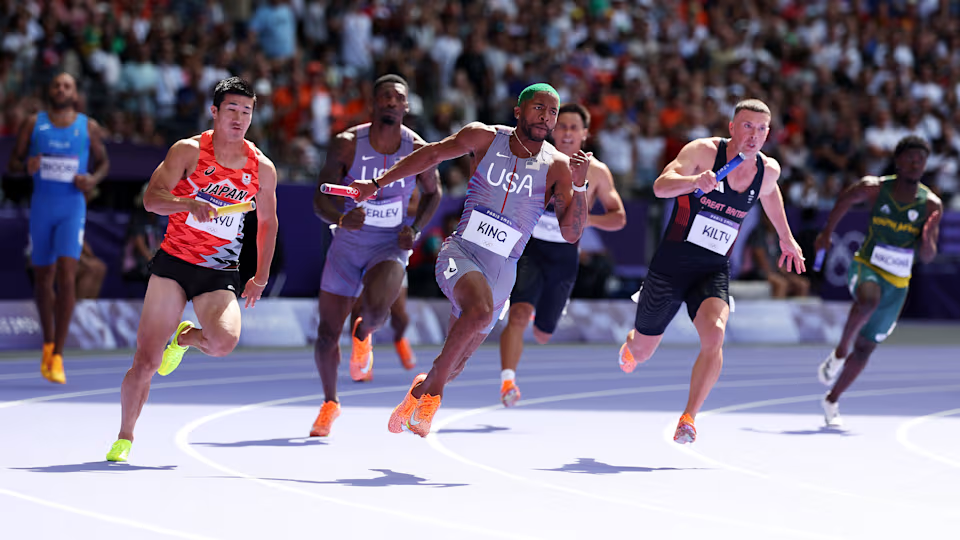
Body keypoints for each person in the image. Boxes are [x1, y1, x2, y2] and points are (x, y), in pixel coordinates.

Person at [350, 83, 591, 438]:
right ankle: (434, 393)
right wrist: (378, 182)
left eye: (552, 111)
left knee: (458, 361)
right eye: (539, 107)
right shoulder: (484, 137)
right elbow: (431, 155)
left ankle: (420, 390)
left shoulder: (556, 165)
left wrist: (581, 187)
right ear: (519, 112)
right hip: (462, 252)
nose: (546, 116)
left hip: (502, 272)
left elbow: (572, 234)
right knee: (476, 313)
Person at [106, 77, 279, 462]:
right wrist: (188, 204)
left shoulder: (261, 168)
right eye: (231, 110)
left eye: (246, 112)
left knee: (223, 342)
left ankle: (185, 338)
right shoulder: (188, 152)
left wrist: (261, 276)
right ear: (214, 112)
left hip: (219, 272)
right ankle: (125, 436)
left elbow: (268, 222)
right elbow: (152, 200)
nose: (238, 118)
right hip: (174, 266)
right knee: (147, 361)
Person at [619, 99, 806, 444]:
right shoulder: (703, 152)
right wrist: (693, 182)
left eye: (762, 129)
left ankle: (689, 418)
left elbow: (770, 194)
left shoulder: (768, 170)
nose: (754, 135)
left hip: (712, 268)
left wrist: (786, 238)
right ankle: (632, 344)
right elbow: (661, 187)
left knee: (715, 335)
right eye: (747, 126)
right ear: (732, 128)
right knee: (643, 351)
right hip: (671, 267)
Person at [311, 74, 441, 437]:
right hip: (347, 245)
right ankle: (330, 403)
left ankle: (364, 333)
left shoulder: (417, 148)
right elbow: (319, 196)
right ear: (373, 103)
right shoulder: (348, 144)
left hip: (389, 246)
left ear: (406, 107)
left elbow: (434, 194)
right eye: (383, 96)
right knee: (325, 334)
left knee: (378, 311)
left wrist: (414, 230)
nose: (390, 102)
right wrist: (339, 216)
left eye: (396, 97)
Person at [498, 103, 626, 407]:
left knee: (543, 334)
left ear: (585, 133)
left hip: (565, 255)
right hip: (530, 248)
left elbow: (619, 217)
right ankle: (507, 382)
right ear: (553, 129)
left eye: (573, 127)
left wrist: (580, 219)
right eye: (562, 126)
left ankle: (540, 310)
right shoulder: (534, 159)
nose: (567, 132)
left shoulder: (597, 172)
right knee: (516, 316)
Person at [815, 136, 941, 426]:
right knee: (868, 301)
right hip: (867, 265)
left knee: (866, 348)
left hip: (898, 282)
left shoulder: (931, 204)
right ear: (897, 161)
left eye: (920, 160)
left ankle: (832, 400)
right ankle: (838, 352)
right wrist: (827, 233)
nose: (914, 164)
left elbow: (929, 256)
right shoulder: (875, 188)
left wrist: (928, 238)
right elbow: (846, 198)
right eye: (909, 158)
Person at [8, 72, 109, 384]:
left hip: (72, 208)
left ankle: (59, 355)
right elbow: (12, 162)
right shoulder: (32, 123)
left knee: (67, 274)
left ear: (75, 92)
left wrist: (91, 179)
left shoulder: (87, 126)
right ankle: (48, 343)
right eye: (57, 85)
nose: (61, 89)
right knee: (43, 278)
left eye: (68, 85)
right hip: (42, 208)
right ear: (49, 90)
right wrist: (26, 166)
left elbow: (104, 163)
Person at [348, 186, 423, 369]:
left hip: (391, 250)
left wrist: (386, 205)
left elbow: (419, 206)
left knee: (399, 314)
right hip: (362, 245)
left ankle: (399, 338)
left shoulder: (408, 178)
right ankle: (360, 354)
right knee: (359, 308)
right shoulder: (364, 170)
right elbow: (346, 200)